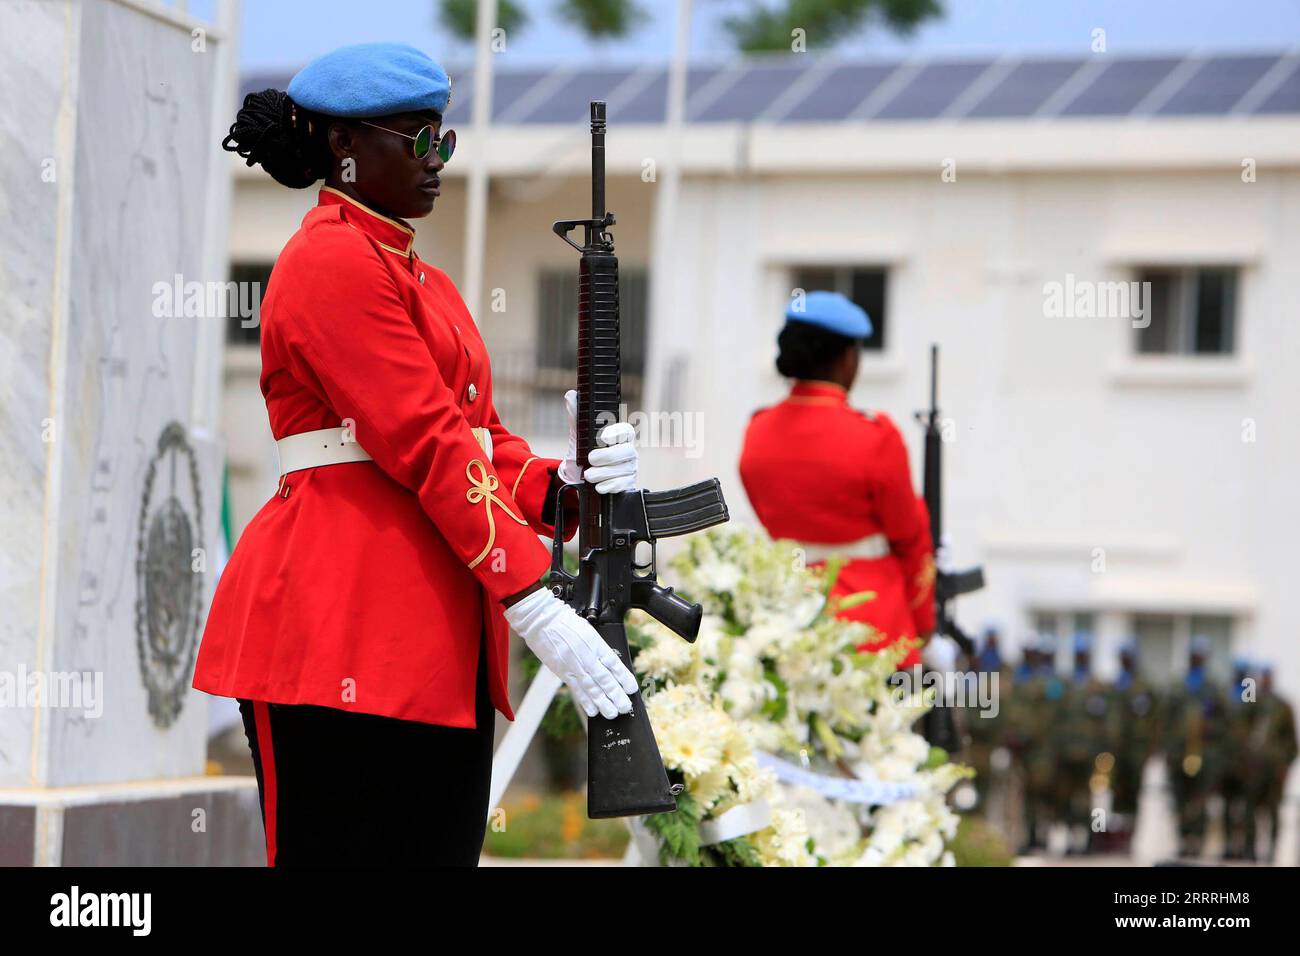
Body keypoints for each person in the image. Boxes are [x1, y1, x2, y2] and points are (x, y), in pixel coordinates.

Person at [192, 43, 642, 866]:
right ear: (345, 149)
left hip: (438, 635)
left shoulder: (425, 282)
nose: (438, 161)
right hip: (337, 627)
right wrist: (531, 592)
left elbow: (481, 441)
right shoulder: (330, 259)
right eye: (418, 139)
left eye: (446, 140)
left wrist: (567, 485)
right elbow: (422, 438)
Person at [738, 291, 935, 668]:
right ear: (847, 359)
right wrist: (923, 624)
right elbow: (909, 536)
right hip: (871, 627)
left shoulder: (757, 430)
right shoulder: (877, 436)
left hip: (788, 619)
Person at [1163, 636, 1227, 859]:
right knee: (1180, 798)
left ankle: (1197, 840)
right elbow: (1165, 721)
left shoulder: (1214, 688)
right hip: (1179, 753)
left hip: (1204, 754)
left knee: (1200, 799)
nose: (1196, 659)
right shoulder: (1177, 685)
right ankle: (1183, 839)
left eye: (1200, 655)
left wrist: (1206, 728)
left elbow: (1224, 723)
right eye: (1193, 655)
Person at [1110, 640, 1161, 833]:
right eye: (1122, 658)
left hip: (1137, 748)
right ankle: (1117, 831)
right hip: (1116, 747)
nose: (1124, 661)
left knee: (1133, 788)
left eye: (1128, 658)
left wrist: (1153, 746)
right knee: (1117, 788)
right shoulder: (1115, 685)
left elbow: (1155, 719)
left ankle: (1132, 830)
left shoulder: (1145, 686)